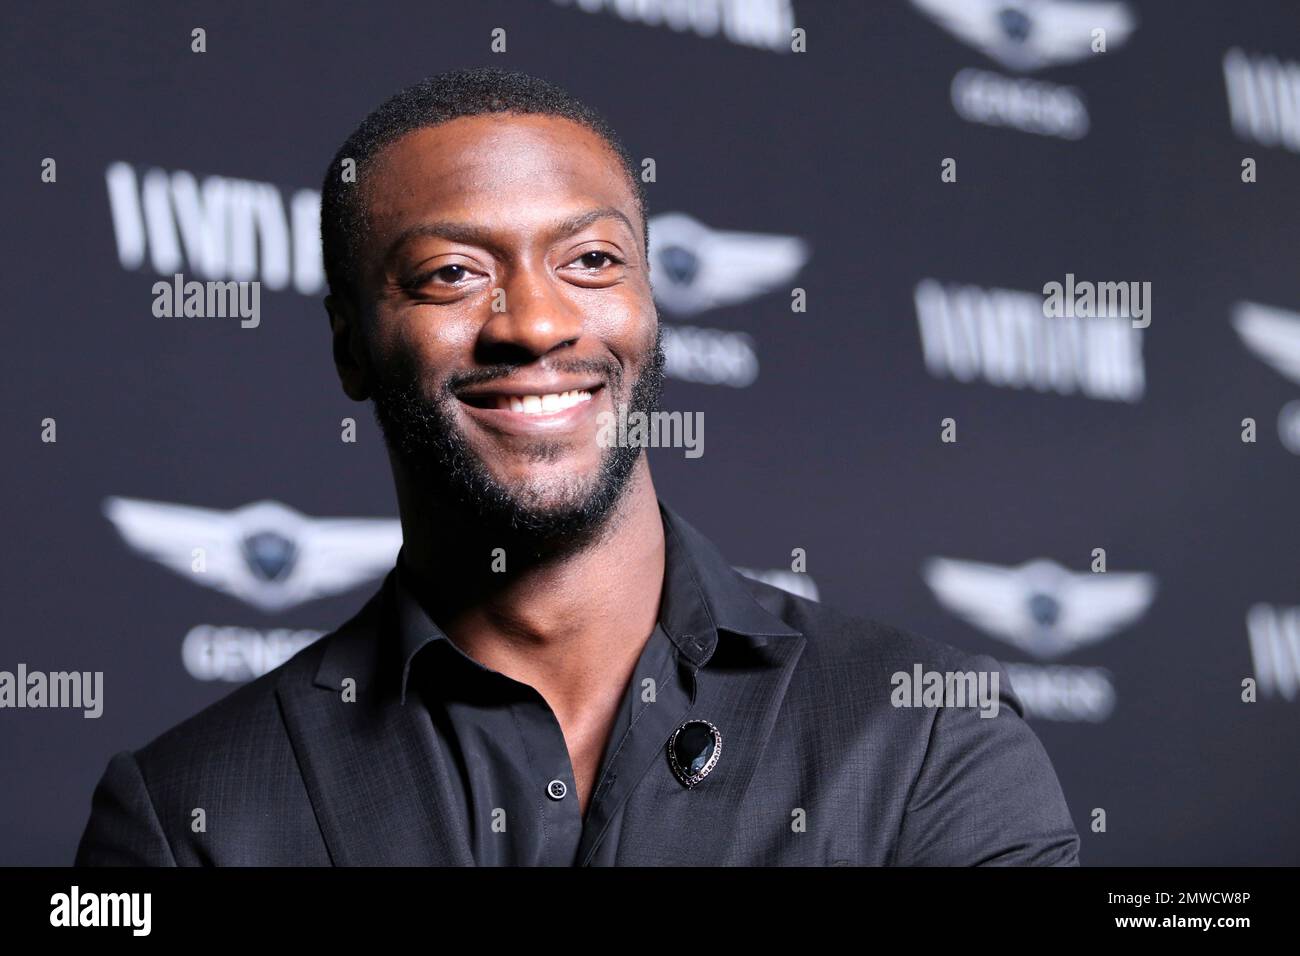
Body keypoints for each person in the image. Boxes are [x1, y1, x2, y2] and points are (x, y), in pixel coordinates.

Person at [75, 67, 1079, 866]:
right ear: (352, 345)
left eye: (591, 261)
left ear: (650, 305)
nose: (538, 324)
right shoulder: (191, 814)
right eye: (452, 273)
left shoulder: (923, 737)